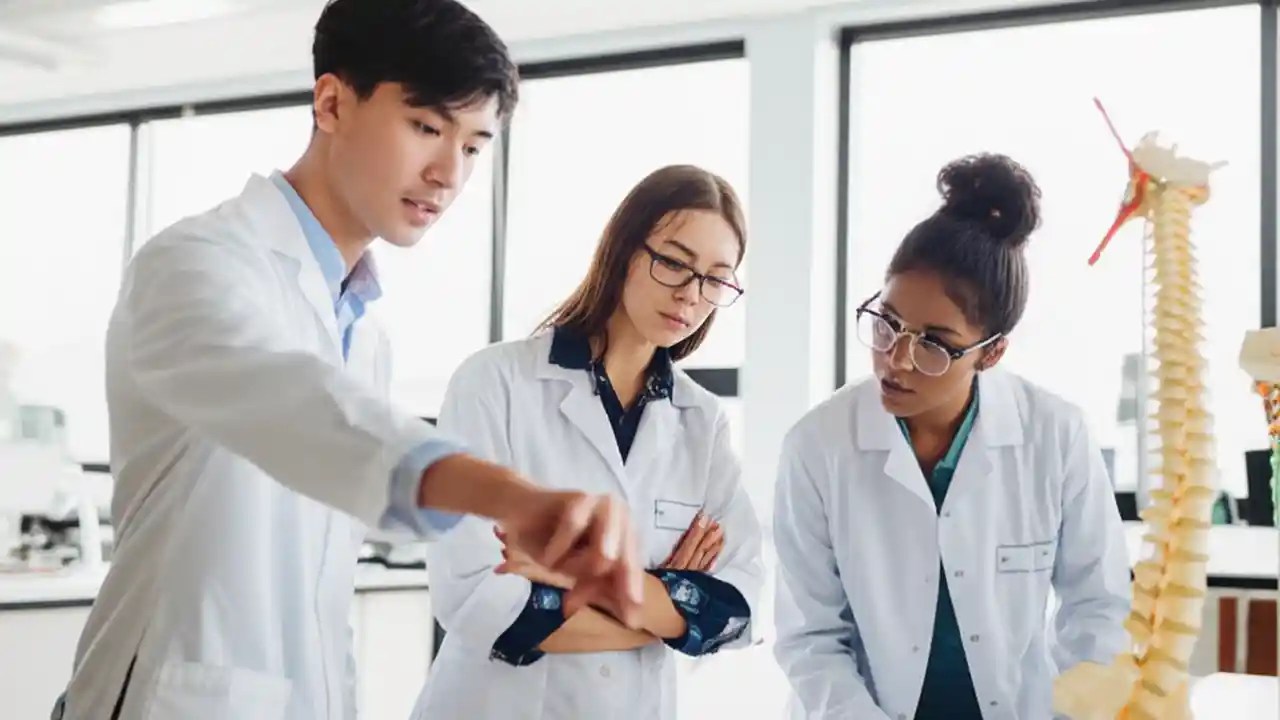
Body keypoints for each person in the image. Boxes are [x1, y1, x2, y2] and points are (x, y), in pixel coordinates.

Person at [53, 2, 643, 719]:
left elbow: (334, 544)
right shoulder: (196, 265)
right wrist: (511, 497)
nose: (447, 173)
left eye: (473, 146)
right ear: (331, 102)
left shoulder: (365, 330)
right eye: (425, 127)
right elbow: (298, 408)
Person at [772, 154, 1131, 719]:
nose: (897, 359)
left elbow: (1100, 609)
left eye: (935, 343)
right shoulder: (818, 446)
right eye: (887, 323)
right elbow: (811, 638)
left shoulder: (1055, 435)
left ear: (992, 352)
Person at [410, 165, 764, 720]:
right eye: (673, 262)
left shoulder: (703, 420)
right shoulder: (494, 383)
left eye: (716, 279)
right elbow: (474, 600)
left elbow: (738, 611)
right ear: (624, 250)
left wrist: (568, 582)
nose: (691, 296)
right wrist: (665, 604)